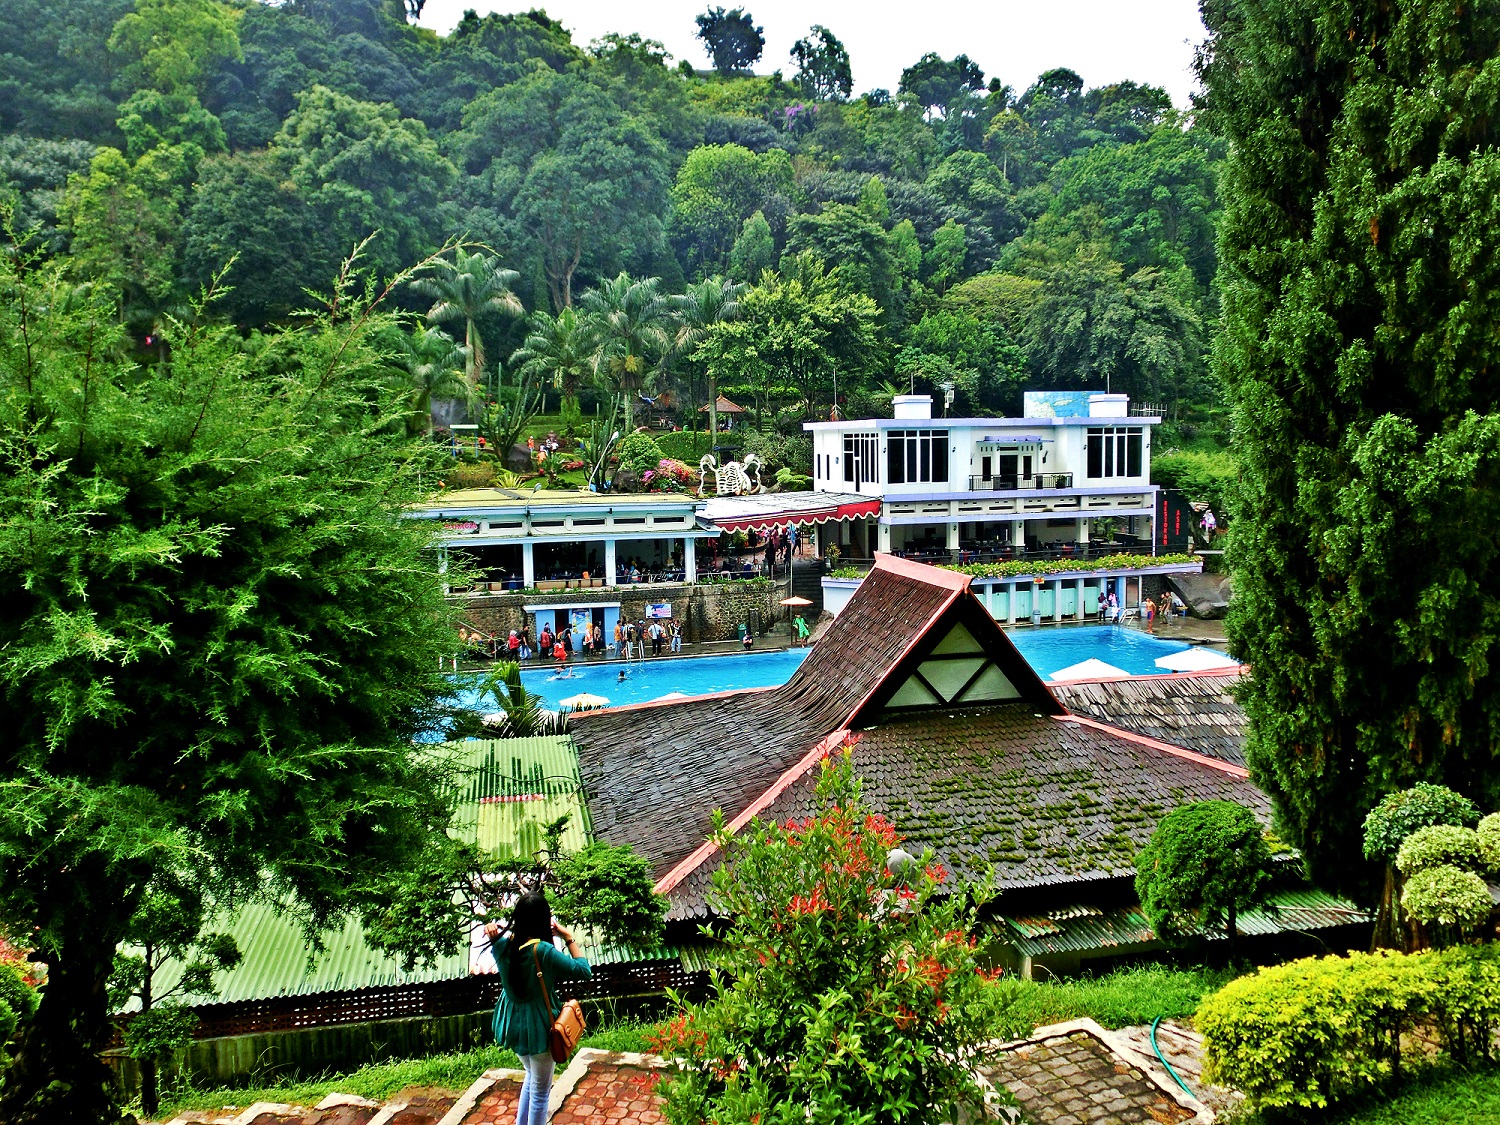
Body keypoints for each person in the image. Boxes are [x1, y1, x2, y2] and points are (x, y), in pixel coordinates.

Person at [487, 891, 591, 1125]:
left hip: (513, 1024)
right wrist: (569, 938)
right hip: (539, 1028)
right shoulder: (542, 951)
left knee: (532, 1075)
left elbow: (497, 938)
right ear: (544, 920)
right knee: (541, 1092)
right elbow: (584, 971)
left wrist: (493, 934)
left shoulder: (503, 946)